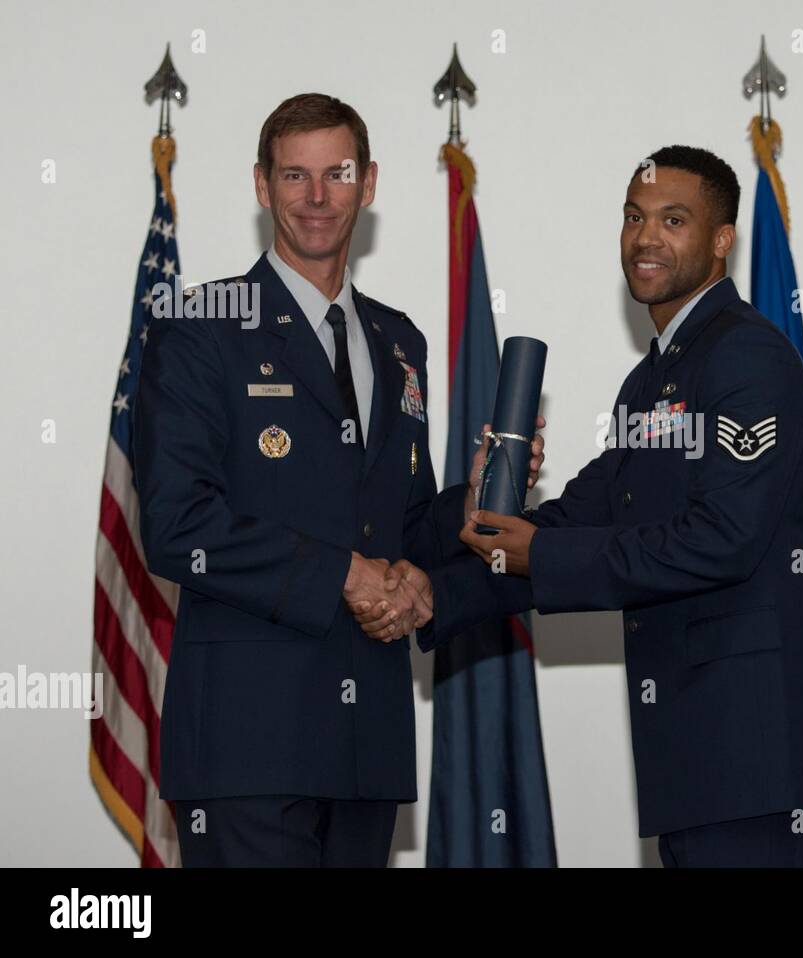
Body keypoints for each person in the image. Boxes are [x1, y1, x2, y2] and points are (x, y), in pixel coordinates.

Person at [380, 146, 803, 867]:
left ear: (722, 241)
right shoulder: (650, 381)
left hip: (757, 751)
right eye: (634, 217)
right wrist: (437, 590)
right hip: (695, 751)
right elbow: (585, 516)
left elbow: (721, 538)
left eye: (674, 219)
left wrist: (532, 555)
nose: (647, 237)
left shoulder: (747, 357)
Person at [134, 93, 541, 867]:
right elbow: (177, 527)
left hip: (366, 744)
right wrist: (344, 576)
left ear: (370, 183)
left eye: (337, 174)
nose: (317, 198)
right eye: (295, 175)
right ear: (262, 186)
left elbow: (401, 526)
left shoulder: (399, 341)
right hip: (247, 746)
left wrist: (475, 494)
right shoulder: (201, 327)